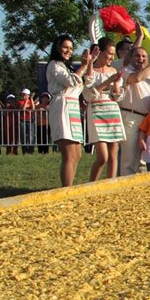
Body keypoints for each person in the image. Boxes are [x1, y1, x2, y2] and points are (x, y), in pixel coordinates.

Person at [117, 26, 150, 176]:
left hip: (149, 120)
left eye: (143, 57)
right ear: (131, 58)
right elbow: (137, 78)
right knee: (129, 158)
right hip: (132, 118)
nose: (140, 59)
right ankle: (125, 185)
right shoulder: (126, 71)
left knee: (145, 156)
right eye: (137, 56)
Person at [45, 34, 93, 187]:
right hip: (62, 106)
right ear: (58, 47)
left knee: (77, 153)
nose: (68, 51)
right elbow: (70, 81)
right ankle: (66, 188)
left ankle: (70, 185)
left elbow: (80, 84)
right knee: (69, 153)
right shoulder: (54, 65)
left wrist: (89, 63)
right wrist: (84, 66)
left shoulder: (68, 67)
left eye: (71, 48)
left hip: (72, 107)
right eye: (65, 47)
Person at [84, 39, 126, 181]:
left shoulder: (113, 71)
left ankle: (111, 185)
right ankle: (92, 185)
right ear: (100, 52)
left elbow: (117, 96)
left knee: (114, 154)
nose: (112, 58)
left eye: (113, 54)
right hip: (96, 112)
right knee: (102, 157)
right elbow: (89, 94)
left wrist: (115, 84)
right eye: (109, 54)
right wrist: (108, 82)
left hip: (112, 111)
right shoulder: (91, 72)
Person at [18, 89, 36, 154]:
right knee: (23, 137)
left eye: (25, 95)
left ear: (28, 95)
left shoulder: (31, 101)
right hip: (23, 120)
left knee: (31, 136)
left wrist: (31, 99)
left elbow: (33, 108)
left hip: (30, 120)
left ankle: (31, 151)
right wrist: (26, 101)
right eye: (22, 95)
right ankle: (24, 151)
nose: (23, 96)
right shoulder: (20, 101)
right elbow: (23, 108)